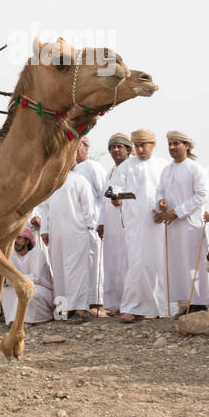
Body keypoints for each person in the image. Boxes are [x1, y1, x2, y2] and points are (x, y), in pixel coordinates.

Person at [111, 129, 168, 322]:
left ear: (153, 145)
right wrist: (116, 199)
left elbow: (168, 191)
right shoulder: (126, 166)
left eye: (144, 145)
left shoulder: (163, 165)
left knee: (160, 262)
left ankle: (162, 307)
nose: (140, 149)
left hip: (158, 222)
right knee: (138, 262)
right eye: (137, 145)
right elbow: (115, 189)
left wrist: (164, 204)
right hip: (135, 222)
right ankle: (133, 307)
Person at [155, 130, 209, 315]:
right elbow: (159, 191)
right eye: (170, 144)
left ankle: (201, 303)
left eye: (176, 144)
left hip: (191, 225)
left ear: (186, 146)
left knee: (195, 264)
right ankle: (186, 302)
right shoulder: (166, 170)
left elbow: (201, 195)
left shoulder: (196, 169)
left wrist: (177, 212)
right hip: (172, 228)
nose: (172, 148)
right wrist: (161, 202)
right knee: (177, 264)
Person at [39, 163, 100, 321]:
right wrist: (44, 229)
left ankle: (80, 309)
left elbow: (89, 209)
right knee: (58, 270)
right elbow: (45, 208)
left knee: (76, 270)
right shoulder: (50, 182)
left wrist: (89, 226)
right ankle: (62, 309)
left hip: (77, 232)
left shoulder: (80, 181)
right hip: (56, 233)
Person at [99, 133, 134, 316]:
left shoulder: (133, 168)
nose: (115, 150)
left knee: (126, 263)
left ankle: (129, 304)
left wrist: (121, 199)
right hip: (111, 226)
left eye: (119, 146)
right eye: (112, 147)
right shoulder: (111, 171)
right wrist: (101, 222)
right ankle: (115, 304)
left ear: (128, 149)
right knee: (113, 263)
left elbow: (137, 194)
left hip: (126, 223)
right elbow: (103, 200)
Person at [72, 135, 107, 311]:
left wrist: (99, 220)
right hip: (74, 227)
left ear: (85, 148)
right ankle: (82, 302)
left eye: (77, 146)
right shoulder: (70, 171)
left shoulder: (93, 167)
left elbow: (104, 194)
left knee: (95, 262)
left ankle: (97, 301)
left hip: (92, 224)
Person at [0, 228, 54, 325]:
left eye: (19, 238)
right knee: (5, 290)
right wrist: (6, 280)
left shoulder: (37, 253)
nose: (15, 241)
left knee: (27, 290)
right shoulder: (13, 254)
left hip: (43, 289)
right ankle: (13, 319)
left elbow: (36, 277)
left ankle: (34, 319)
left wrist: (14, 279)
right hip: (21, 284)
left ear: (27, 240)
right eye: (14, 238)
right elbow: (9, 275)